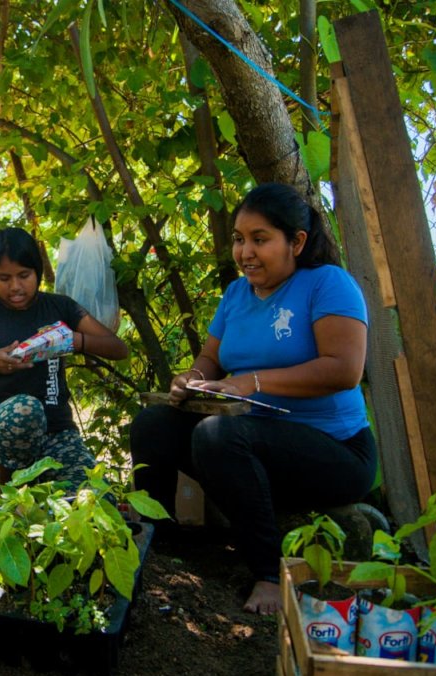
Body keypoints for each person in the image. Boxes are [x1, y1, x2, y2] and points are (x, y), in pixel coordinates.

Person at [129, 182, 378, 616]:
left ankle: (268, 573)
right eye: (240, 239)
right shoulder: (237, 294)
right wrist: (192, 378)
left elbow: (344, 369)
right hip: (259, 445)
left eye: (260, 239)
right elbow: (211, 357)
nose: (246, 252)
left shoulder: (327, 284)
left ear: (296, 242)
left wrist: (252, 382)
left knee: (218, 436)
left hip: (335, 454)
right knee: (154, 424)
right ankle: (159, 546)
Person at [0, 226, 128, 494]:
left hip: (57, 433)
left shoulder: (59, 308)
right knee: (25, 409)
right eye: (4, 278)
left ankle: (38, 489)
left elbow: (119, 349)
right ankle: (10, 499)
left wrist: (76, 341)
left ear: (38, 273)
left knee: (93, 500)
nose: (15, 286)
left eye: (24, 276)